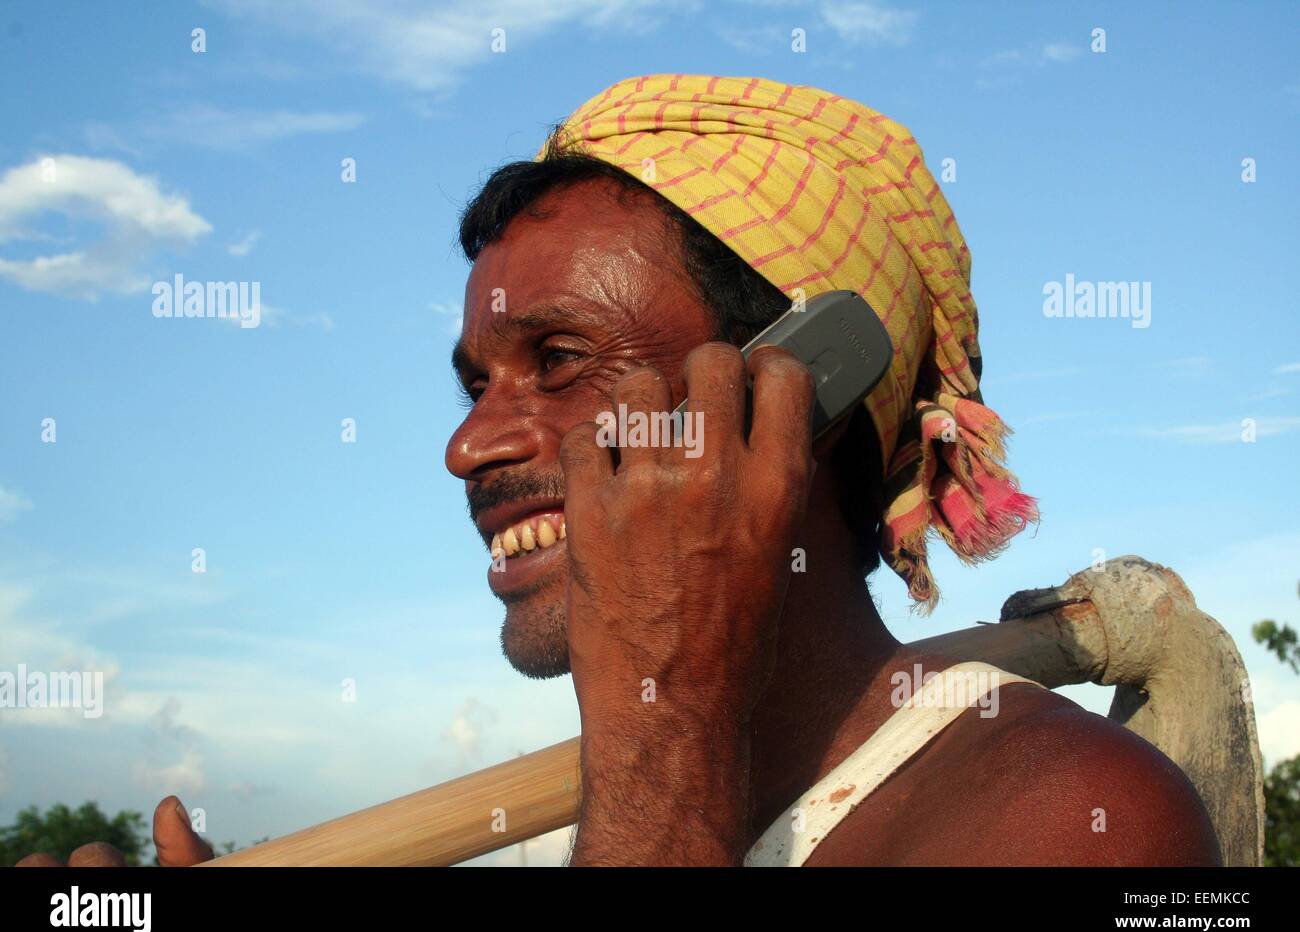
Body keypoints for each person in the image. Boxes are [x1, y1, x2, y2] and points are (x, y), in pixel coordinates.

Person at [20, 74, 1221, 868]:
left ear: (783, 397)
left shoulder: (1073, 825)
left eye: (558, 358)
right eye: (474, 380)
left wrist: (668, 725)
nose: (466, 446)